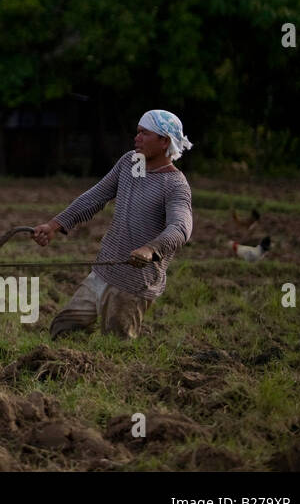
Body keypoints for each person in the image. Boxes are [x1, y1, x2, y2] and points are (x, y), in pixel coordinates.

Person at [31, 110, 194, 339]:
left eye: (144, 133)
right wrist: (54, 225)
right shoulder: (131, 163)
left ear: (164, 141)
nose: (136, 138)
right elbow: (94, 197)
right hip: (103, 271)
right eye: (137, 132)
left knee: (116, 343)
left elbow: (181, 228)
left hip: (134, 283)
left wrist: (150, 249)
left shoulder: (175, 184)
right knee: (64, 327)